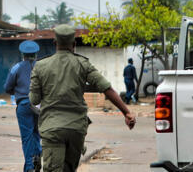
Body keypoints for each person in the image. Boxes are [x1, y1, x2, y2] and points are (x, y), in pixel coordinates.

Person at [30, 24, 135, 171]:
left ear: (55, 43)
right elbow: (107, 88)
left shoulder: (40, 66)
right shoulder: (83, 64)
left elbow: (34, 100)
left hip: (51, 128)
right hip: (76, 128)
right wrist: (127, 112)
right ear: (74, 44)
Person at [5, 40, 42, 172]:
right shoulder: (42, 67)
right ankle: (38, 156)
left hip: (24, 104)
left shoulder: (17, 67)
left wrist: (16, 91)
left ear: (23, 54)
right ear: (36, 54)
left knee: (27, 137)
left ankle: (29, 167)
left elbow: (7, 87)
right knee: (37, 133)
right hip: (39, 106)